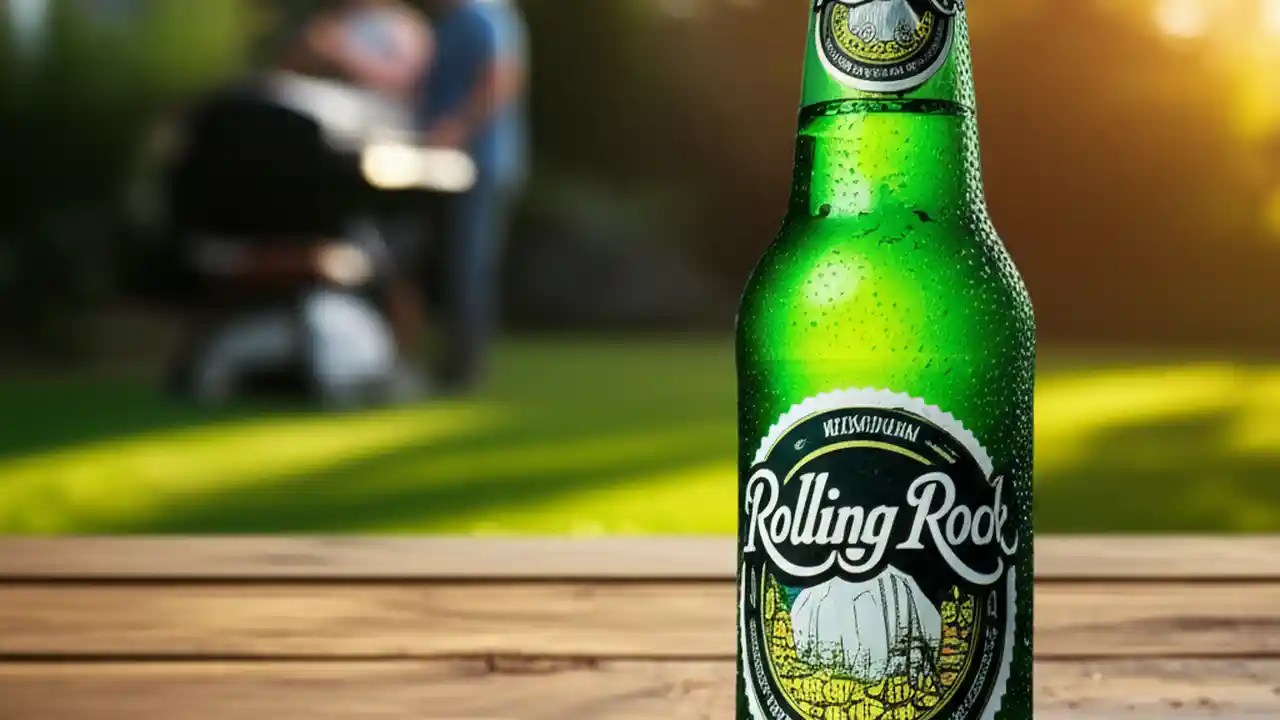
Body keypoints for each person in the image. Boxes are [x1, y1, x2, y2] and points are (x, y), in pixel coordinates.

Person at [418, 0, 529, 392]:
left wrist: (458, 128)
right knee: (448, 263)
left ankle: (463, 369)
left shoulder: (485, 14)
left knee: (469, 265)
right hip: (444, 166)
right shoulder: (447, 22)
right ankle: (443, 361)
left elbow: (501, 77)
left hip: (482, 162)